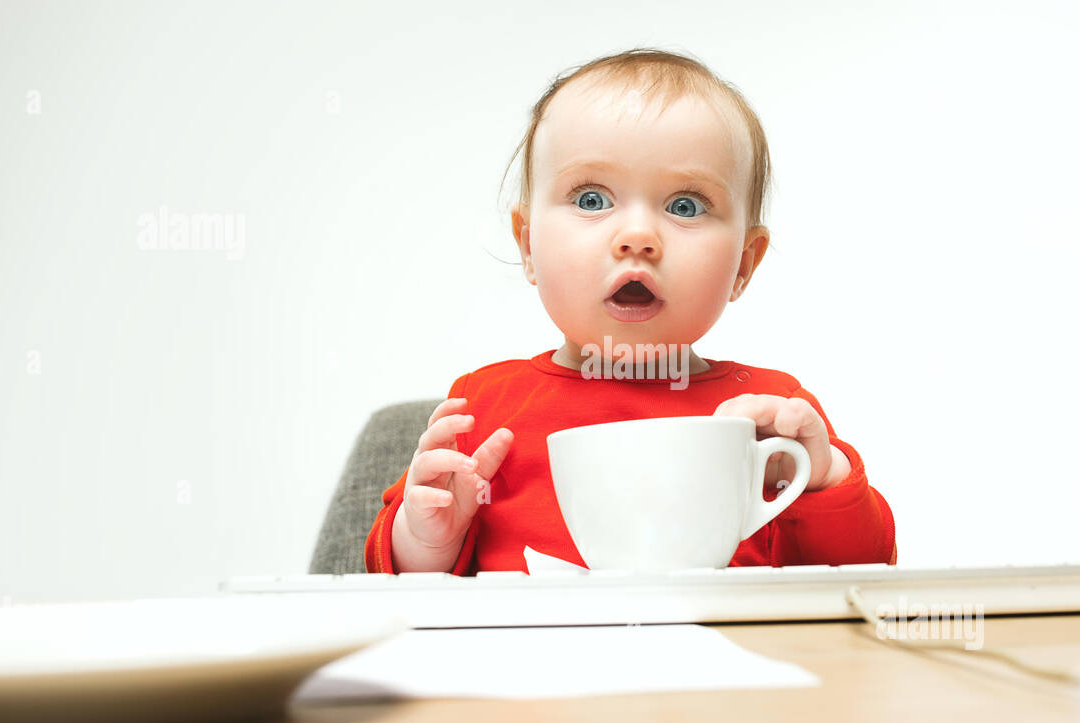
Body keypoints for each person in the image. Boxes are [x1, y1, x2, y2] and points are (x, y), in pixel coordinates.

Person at [365, 48, 895, 575]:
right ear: (529, 246)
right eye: (592, 199)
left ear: (743, 264)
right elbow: (389, 574)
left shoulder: (774, 415)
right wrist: (426, 538)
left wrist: (824, 478)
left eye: (684, 205)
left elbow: (865, 575)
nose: (637, 237)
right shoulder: (480, 408)